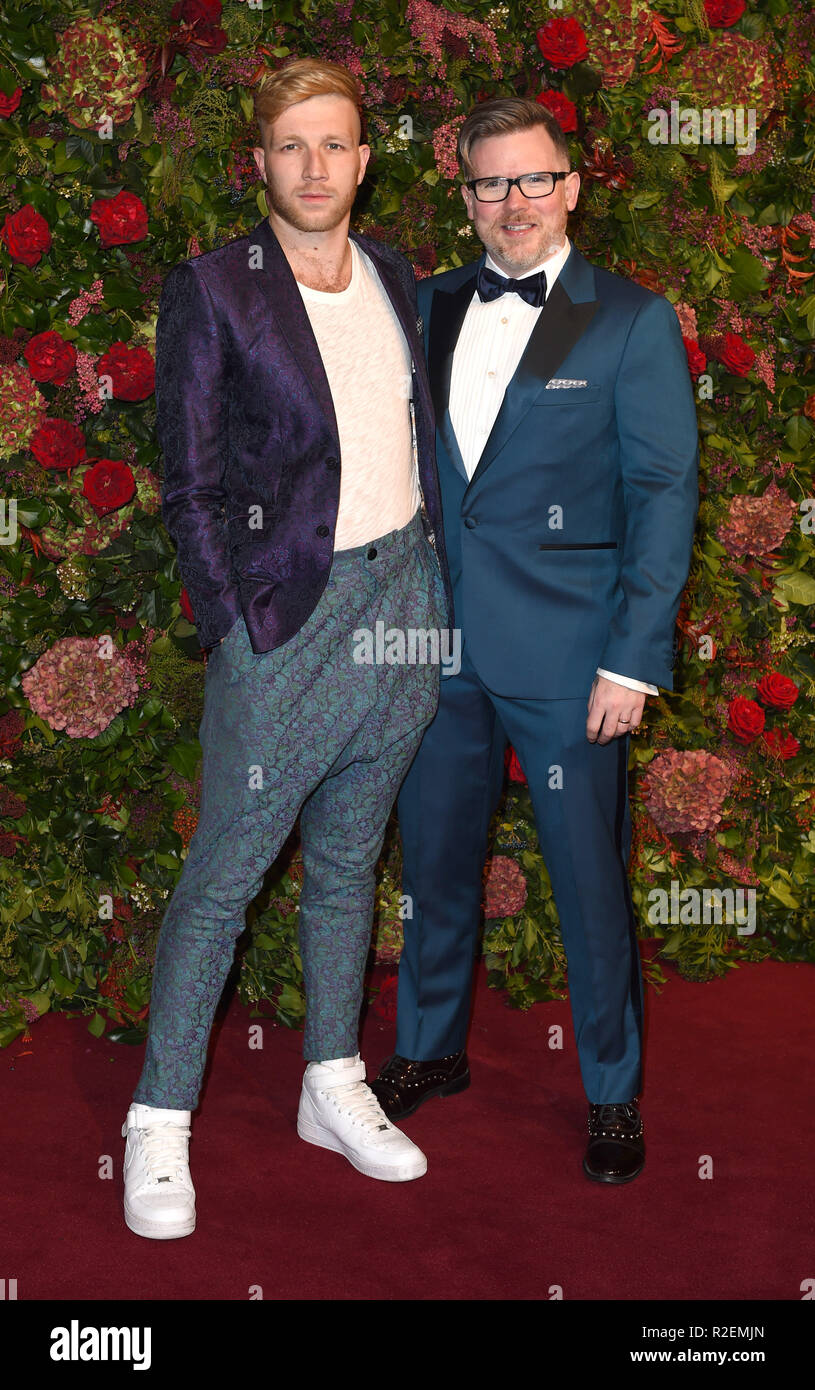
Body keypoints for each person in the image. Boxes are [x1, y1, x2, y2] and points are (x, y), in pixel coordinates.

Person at [121, 57, 454, 1239]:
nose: (315, 167)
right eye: (291, 146)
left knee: (353, 861)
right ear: (260, 163)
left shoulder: (396, 274)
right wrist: (237, 634)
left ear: (365, 161)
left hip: (403, 604)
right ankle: (157, 1119)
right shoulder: (216, 289)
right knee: (223, 881)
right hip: (284, 622)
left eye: (336, 145)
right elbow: (191, 481)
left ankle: (330, 1080)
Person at [370, 96, 699, 1184]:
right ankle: (427, 1049)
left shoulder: (628, 320)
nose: (509, 203)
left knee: (586, 881)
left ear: (570, 185)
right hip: (434, 652)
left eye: (530, 179)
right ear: (462, 197)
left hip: (571, 660)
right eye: (487, 183)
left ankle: (609, 1089)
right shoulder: (420, 306)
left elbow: (660, 493)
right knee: (434, 866)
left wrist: (631, 657)